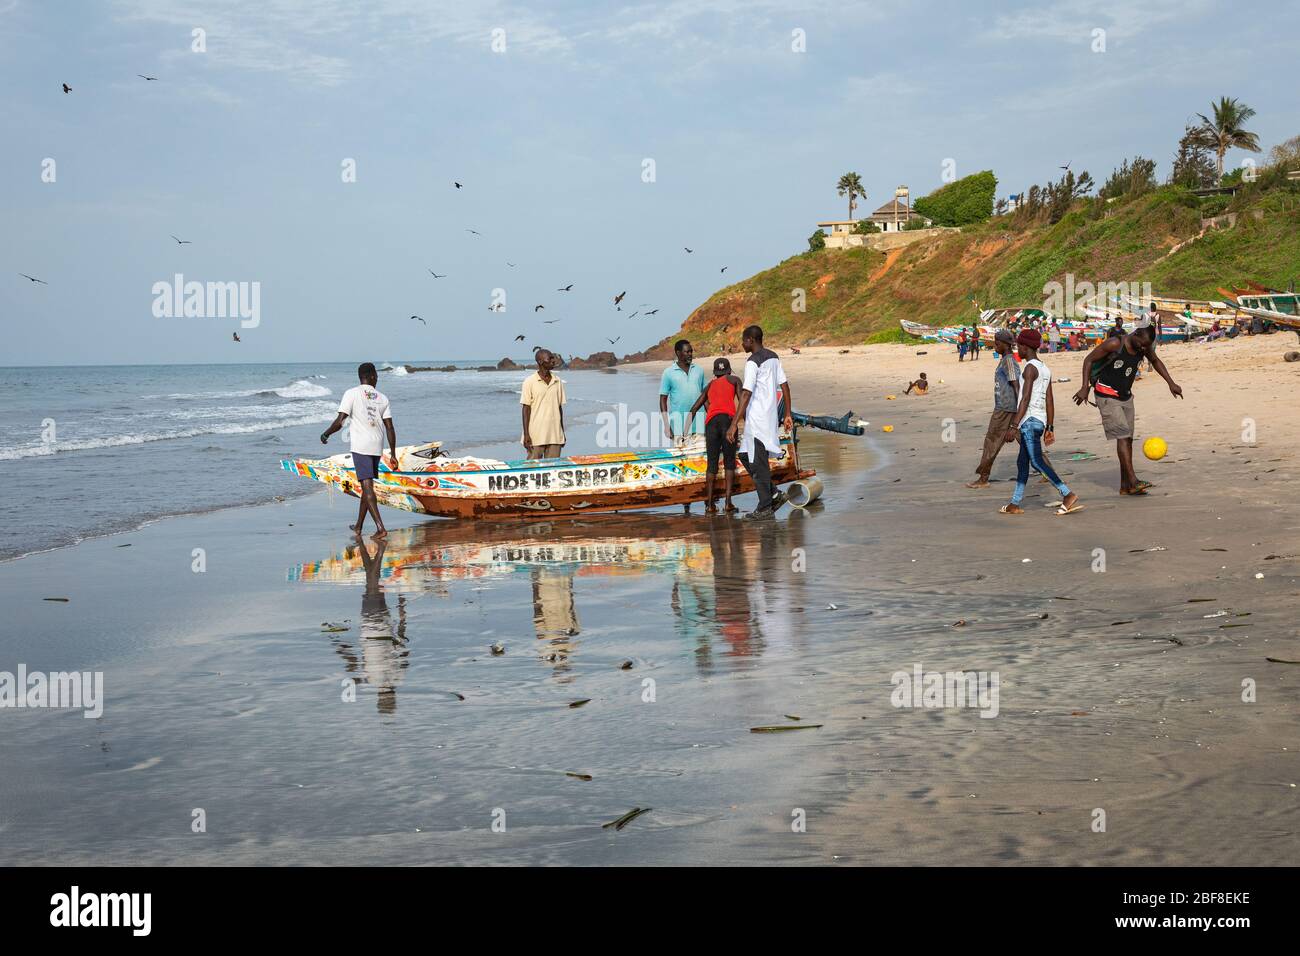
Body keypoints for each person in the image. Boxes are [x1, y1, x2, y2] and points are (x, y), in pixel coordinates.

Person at [1072, 322, 1182, 495]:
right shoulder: (1115, 343)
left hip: (1125, 395)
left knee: (1128, 439)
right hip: (1106, 394)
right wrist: (1084, 387)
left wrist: (1171, 383)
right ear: (1136, 334)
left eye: (1147, 345)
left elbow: (1155, 360)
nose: (1144, 348)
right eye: (1143, 343)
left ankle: (1126, 486)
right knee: (1122, 436)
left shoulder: (1143, 347)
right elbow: (1089, 360)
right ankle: (1133, 480)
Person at [1000, 329, 1081, 516]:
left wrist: (1013, 425)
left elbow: (1025, 398)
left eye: (1018, 346)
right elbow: (1049, 400)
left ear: (1025, 347)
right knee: (1022, 462)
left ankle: (1067, 494)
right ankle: (1015, 503)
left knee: (1036, 461)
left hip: (1028, 421)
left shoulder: (1030, 368)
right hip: (1039, 421)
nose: (1016, 349)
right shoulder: (1045, 369)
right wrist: (1050, 427)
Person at [320, 362, 398, 539]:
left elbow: (340, 421)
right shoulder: (383, 398)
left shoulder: (352, 393)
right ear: (370, 375)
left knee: (367, 486)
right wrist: (392, 454)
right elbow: (390, 428)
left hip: (361, 446)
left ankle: (380, 528)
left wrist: (326, 434)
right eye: (376, 375)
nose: (377, 378)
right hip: (377, 446)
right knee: (367, 486)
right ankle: (358, 526)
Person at [726, 325, 793, 520]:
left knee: (758, 461)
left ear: (751, 340)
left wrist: (733, 424)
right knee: (746, 455)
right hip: (769, 417)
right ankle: (773, 493)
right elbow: (785, 386)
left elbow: (746, 393)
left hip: (757, 419)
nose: (742, 343)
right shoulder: (773, 357)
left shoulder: (752, 362)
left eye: (743, 340)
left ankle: (764, 507)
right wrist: (787, 412)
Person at [687, 357, 742, 514]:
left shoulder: (710, 385)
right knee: (729, 462)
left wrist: (683, 433)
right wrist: (739, 423)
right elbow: (742, 399)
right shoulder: (734, 379)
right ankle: (728, 503)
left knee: (712, 464)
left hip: (710, 423)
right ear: (729, 370)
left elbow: (693, 408)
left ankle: (710, 505)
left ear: (715, 373)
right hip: (727, 421)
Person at [967, 329, 1021, 489]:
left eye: (997, 343)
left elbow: (1016, 384)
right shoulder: (1006, 359)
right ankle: (1047, 472)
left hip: (1005, 409)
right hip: (1011, 408)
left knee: (992, 442)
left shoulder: (1009, 361)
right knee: (1027, 442)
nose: (995, 346)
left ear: (1005, 345)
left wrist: (1019, 410)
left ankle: (983, 478)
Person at [520, 348, 566, 459]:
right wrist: (526, 434)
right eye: (549, 358)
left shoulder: (557, 381)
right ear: (540, 361)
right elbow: (526, 409)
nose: (553, 360)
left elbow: (559, 408)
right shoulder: (529, 381)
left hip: (555, 435)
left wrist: (562, 432)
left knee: (552, 470)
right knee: (532, 470)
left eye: (553, 358)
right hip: (536, 435)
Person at [659, 339, 706, 444]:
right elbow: (663, 400)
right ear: (678, 353)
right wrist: (667, 426)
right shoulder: (668, 373)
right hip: (678, 427)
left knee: (701, 459)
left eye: (691, 351)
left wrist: (711, 420)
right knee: (683, 459)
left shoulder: (699, 370)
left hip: (699, 425)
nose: (690, 354)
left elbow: (705, 396)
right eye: (687, 352)